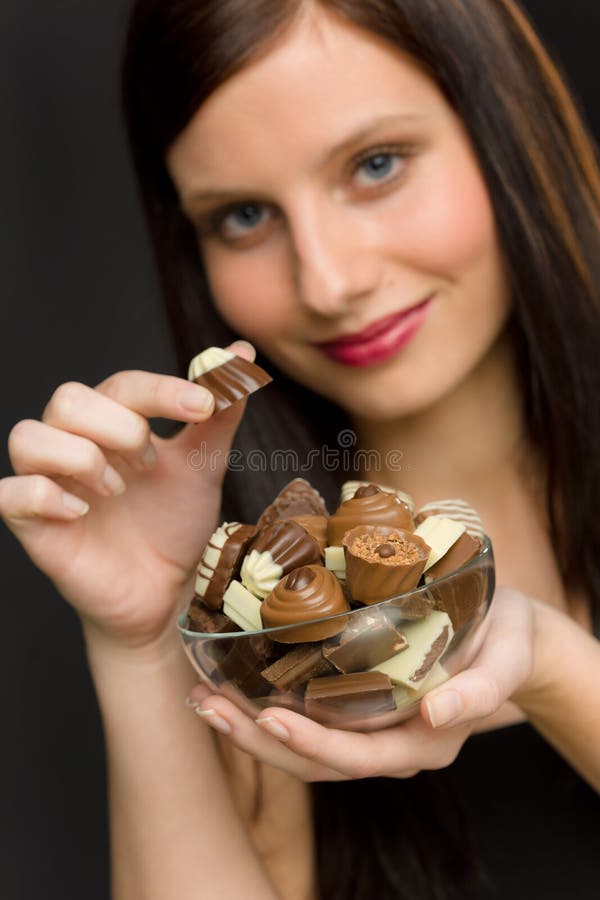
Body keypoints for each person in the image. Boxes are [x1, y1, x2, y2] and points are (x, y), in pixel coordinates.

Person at [1, 0, 599, 898]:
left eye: (376, 164)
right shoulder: (272, 624)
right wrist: (138, 645)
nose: (327, 281)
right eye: (244, 215)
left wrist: (550, 664)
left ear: (505, 125)